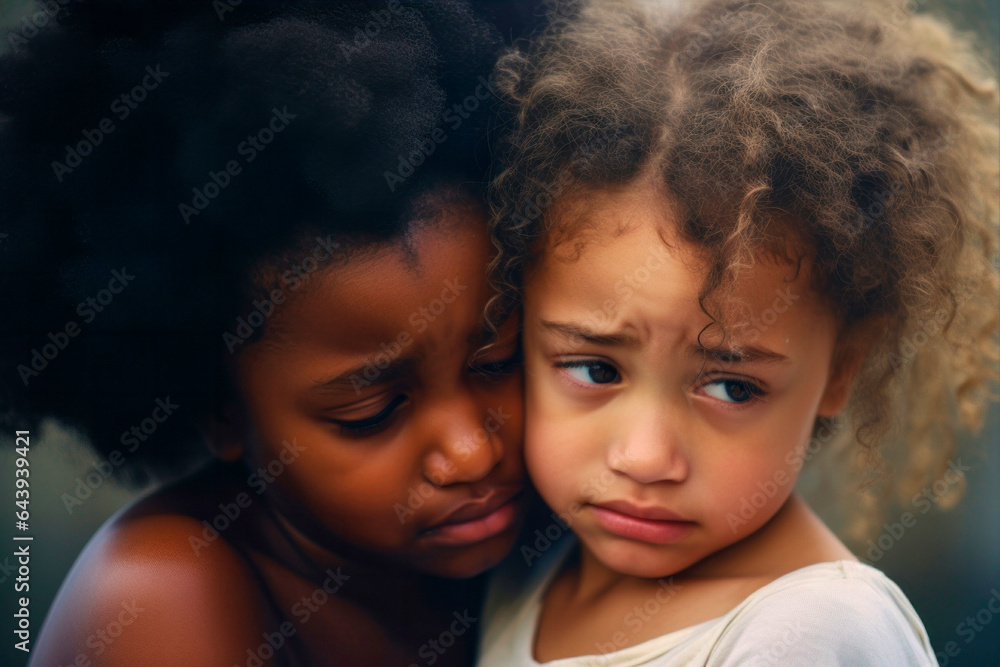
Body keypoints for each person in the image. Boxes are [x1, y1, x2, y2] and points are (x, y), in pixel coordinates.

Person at [0, 1, 533, 664]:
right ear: (218, 408)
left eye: (499, 360)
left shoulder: (560, 524)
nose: (473, 452)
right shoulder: (161, 591)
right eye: (372, 412)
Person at [477, 0, 999, 664]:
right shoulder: (526, 568)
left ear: (842, 367)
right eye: (595, 370)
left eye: (731, 386)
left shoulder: (810, 630)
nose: (645, 458)